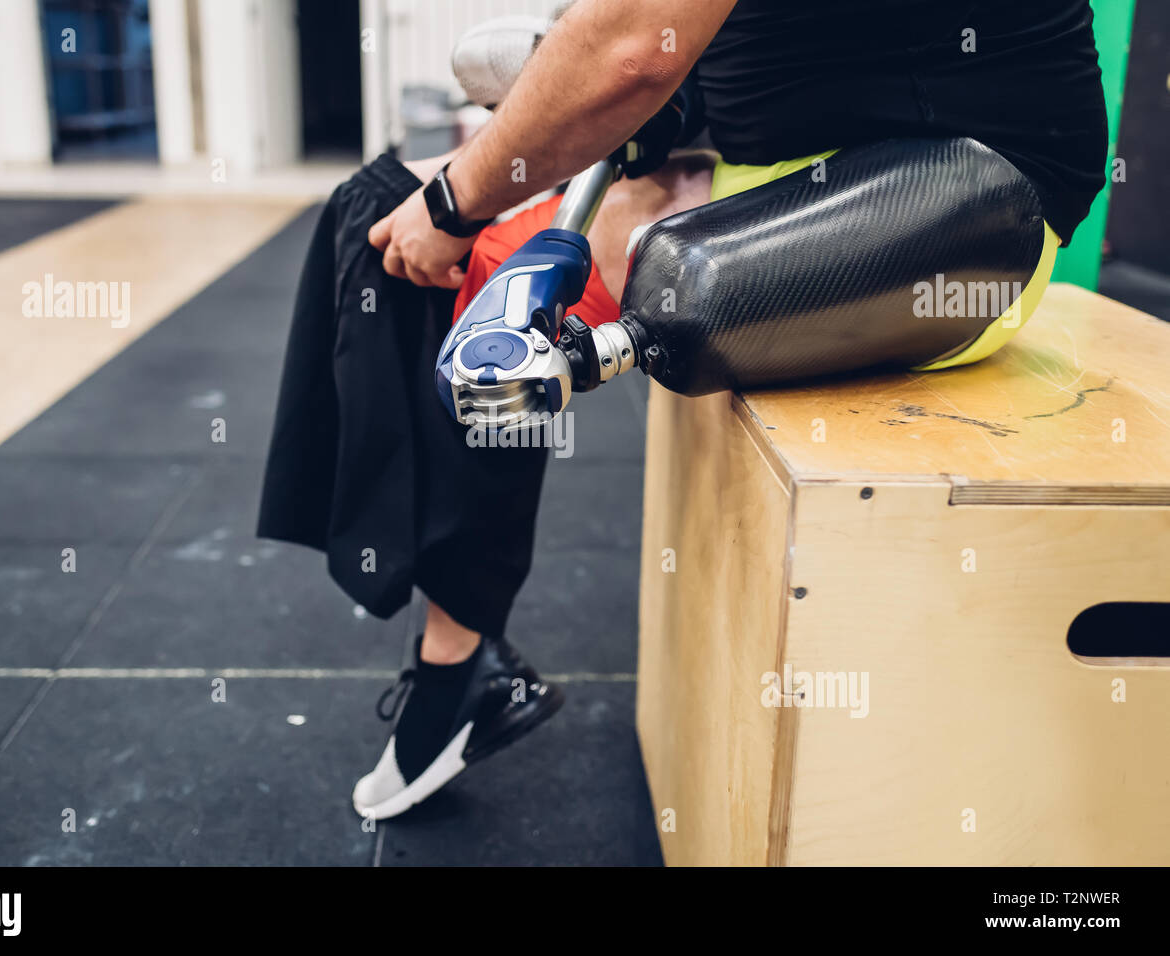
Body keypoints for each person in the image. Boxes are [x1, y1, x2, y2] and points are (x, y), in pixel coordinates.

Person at [278, 0, 1108, 819]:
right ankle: (465, 657)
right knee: (379, 214)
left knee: (599, 276)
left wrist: (459, 199)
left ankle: (453, 667)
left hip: (964, 193)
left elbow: (633, 51)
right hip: (773, 154)